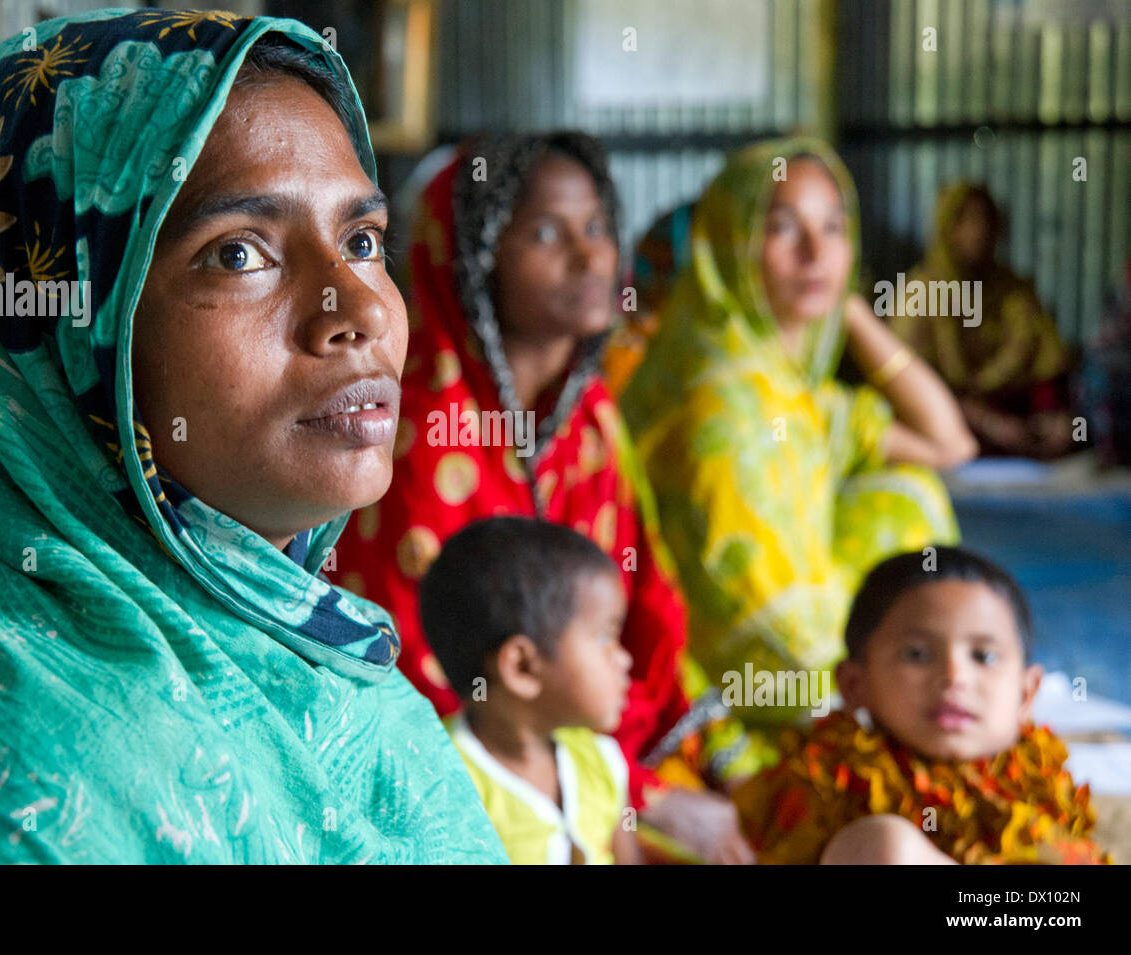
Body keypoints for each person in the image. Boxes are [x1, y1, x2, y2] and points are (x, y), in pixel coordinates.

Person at [0, 10, 505, 864]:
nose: (362, 309)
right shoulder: (10, 777)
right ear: (68, 334)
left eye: (362, 240)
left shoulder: (306, 647)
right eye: (238, 255)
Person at [335, 132, 763, 865]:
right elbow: (425, 699)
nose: (589, 254)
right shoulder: (418, 441)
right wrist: (637, 796)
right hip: (476, 782)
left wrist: (723, 759)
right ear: (472, 261)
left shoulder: (590, 419)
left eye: (597, 226)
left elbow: (646, 618)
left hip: (592, 750)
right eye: (544, 231)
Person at [618, 139, 977, 730]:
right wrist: (859, 712)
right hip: (730, 684)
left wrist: (852, 311)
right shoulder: (717, 397)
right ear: (729, 244)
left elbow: (949, 444)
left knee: (905, 494)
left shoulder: (792, 389)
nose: (816, 252)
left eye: (834, 228)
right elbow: (746, 615)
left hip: (814, 655)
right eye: (783, 228)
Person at [733, 547, 1112, 865]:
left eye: (984, 656)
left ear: (1026, 694)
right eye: (916, 654)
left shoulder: (1045, 797)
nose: (953, 677)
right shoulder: (820, 782)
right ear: (853, 683)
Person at [420, 517, 641, 864]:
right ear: (522, 667)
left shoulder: (601, 762)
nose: (625, 659)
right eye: (604, 638)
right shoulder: (438, 785)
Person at [890, 181, 1075, 458]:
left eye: (986, 218)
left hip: (1019, 437)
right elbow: (907, 385)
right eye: (966, 219)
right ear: (945, 228)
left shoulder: (1015, 293)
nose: (980, 230)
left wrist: (1049, 416)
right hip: (945, 430)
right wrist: (986, 421)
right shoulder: (919, 295)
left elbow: (1046, 371)